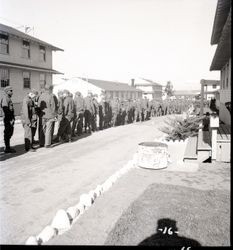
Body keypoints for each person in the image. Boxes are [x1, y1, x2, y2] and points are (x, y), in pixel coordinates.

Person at [1, 86, 16, 153]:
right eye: (11, 91)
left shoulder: (8, 98)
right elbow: (5, 109)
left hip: (10, 118)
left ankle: (7, 146)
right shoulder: (5, 98)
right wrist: (10, 119)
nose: (12, 92)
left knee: (10, 132)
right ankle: (7, 148)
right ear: (7, 91)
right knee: (8, 132)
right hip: (8, 119)